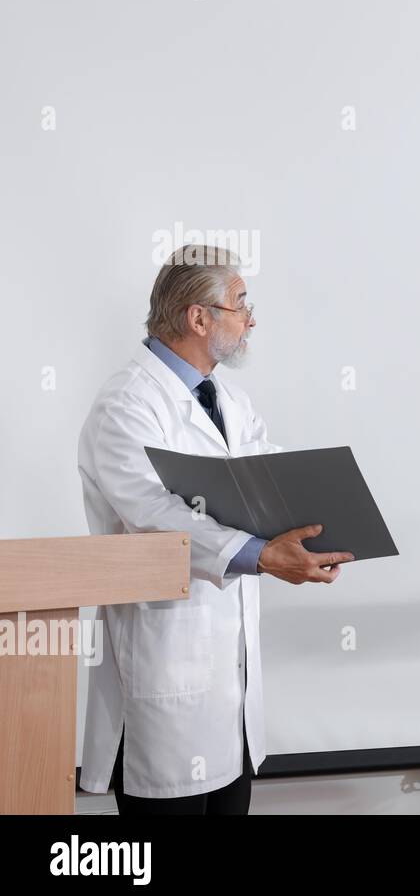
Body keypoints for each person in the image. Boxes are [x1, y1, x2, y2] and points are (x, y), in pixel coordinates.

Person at [77, 244, 353, 813]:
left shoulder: (228, 398)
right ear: (198, 318)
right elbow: (156, 515)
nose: (252, 319)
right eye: (241, 303)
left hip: (229, 696)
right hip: (162, 673)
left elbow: (264, 480)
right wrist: (261, 555)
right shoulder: (126, 405)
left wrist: (329, 512)